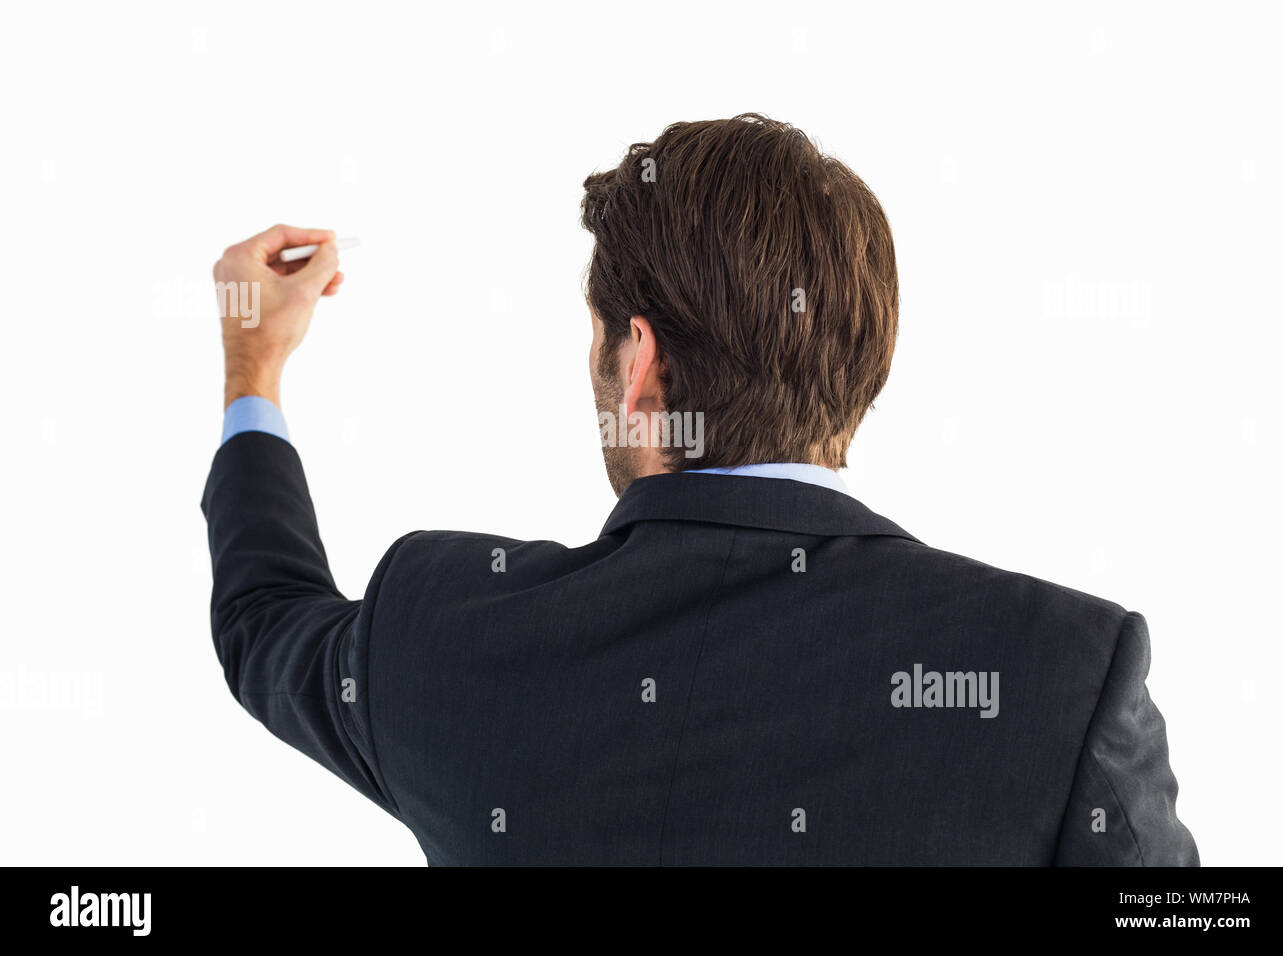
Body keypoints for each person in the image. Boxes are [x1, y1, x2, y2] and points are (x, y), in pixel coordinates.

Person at [203, 114, 1198, 865]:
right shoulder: (1063, 671)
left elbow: (264, 621)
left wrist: (255, 365)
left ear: (637, 360)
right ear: (863, 362)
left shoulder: (446, 630)